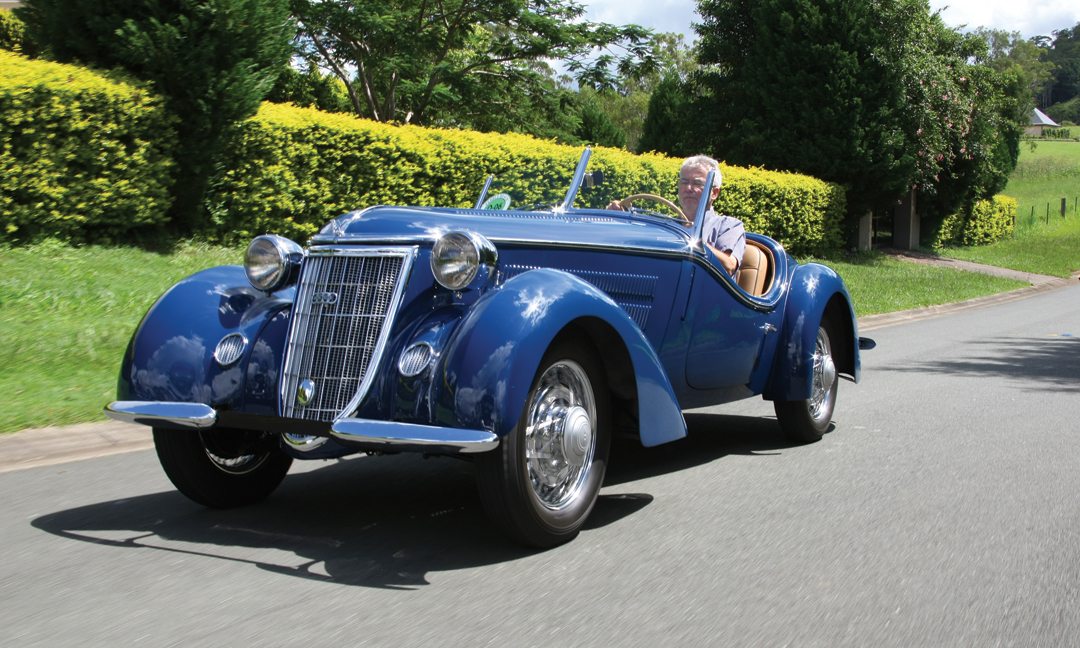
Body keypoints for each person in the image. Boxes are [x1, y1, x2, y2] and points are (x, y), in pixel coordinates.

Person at [610, 154, 745, 275]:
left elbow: (729, 266)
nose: (688, 189)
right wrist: (617, 219)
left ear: (714, 193)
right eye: (684, 182)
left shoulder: (728, 225)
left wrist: (691, 239)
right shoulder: (666, 224)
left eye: (697, 183)